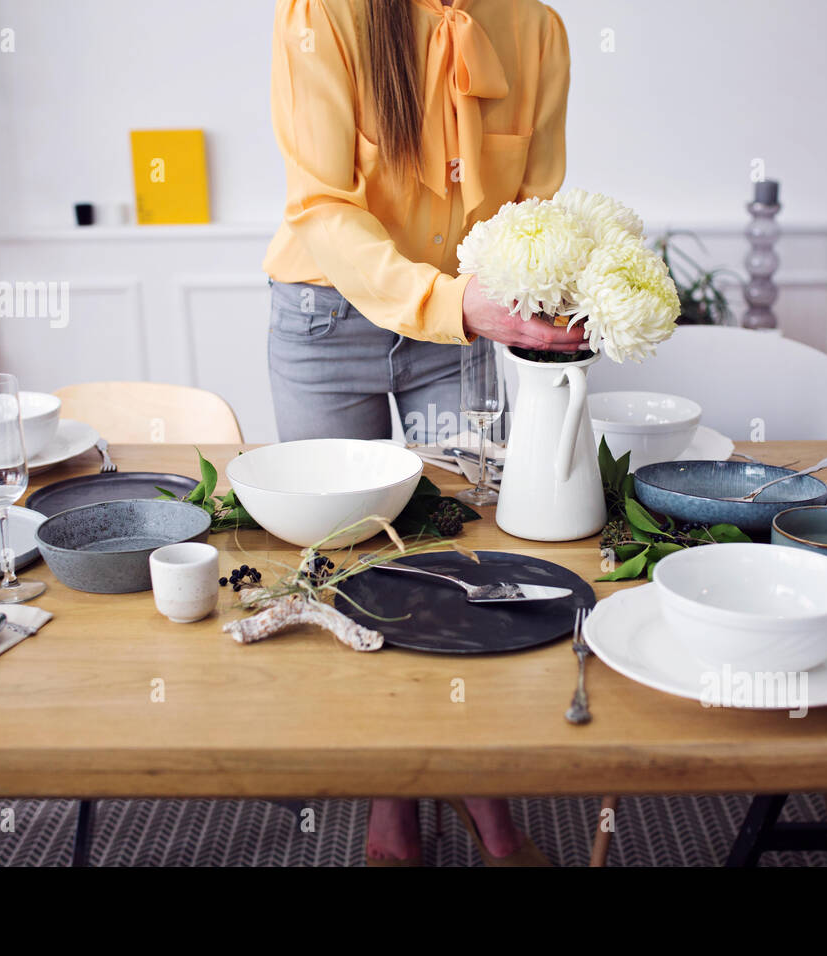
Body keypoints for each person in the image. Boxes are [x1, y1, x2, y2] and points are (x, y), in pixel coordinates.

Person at [264, 0, 579, 865]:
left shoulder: (537, 29)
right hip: (330, 322)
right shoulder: (321, 16)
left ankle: (488, 793)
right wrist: (456, 304)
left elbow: (533, 206)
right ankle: (392, 799)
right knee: (355, 557)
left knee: (469, 554)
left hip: (465, 329)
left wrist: (549, 290)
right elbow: (323, 204)